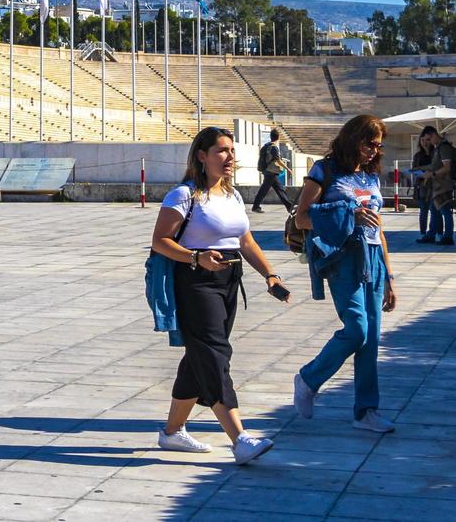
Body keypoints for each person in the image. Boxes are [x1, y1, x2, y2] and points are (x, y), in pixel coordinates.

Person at [150, 126, 285, 464]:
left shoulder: (233, 195)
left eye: (231, 151)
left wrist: (269, 275)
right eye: (221, 151)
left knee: (200, 356)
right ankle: (239, 438)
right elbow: (160, 241)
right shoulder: (183, 195)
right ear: (202, 155)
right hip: (194, 279)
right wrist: (196, 257)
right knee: (214, 354)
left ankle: (171, 432)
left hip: (228, 279)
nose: (229, 157)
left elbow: (246, 241)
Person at [293, 114, 399, 432]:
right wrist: (348, 215)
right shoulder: (324, 171)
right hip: (343, 259)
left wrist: (389, 277)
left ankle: (366, 411)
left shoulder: (370, 177)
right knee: (357, 330)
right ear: (353, 137)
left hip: (373, 260)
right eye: (369, 143)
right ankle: (309, 378)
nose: (373, 151)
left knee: (371, 339)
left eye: (378, 146)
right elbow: (302, 218)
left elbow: (378, 229)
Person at [251, 129, 292, 213]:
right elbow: (278, 161)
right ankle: (255, 206)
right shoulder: (274, 148)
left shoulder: (266, 146)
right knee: (265, 190)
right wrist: (287, 169)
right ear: (278, 137)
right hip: (271, 172)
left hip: (268, 171)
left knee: (279, 189)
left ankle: (289, 206)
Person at [426, 129, 455, 246]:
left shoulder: (444, 148)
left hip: (444, 185)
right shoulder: (439, 148)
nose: (429, 142)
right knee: (434, 210)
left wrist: (432, 174)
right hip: (439, 185)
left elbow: (446, 167)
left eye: (429, 139)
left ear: (434, 135)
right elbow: (435, 165)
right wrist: (420, 168)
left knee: (445, 211)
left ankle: (448, 237)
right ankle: (431, 234)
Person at [412, 126, 439, 243]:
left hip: (435, 185)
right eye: (422, 140)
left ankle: (434, 233)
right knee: (423, 211)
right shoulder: (418, 155)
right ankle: (423, 233)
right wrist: (422, 174)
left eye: (427, 140)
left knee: (435, 211)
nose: (425, 143)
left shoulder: (436, 153)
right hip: (422, 186)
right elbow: (414, 169)